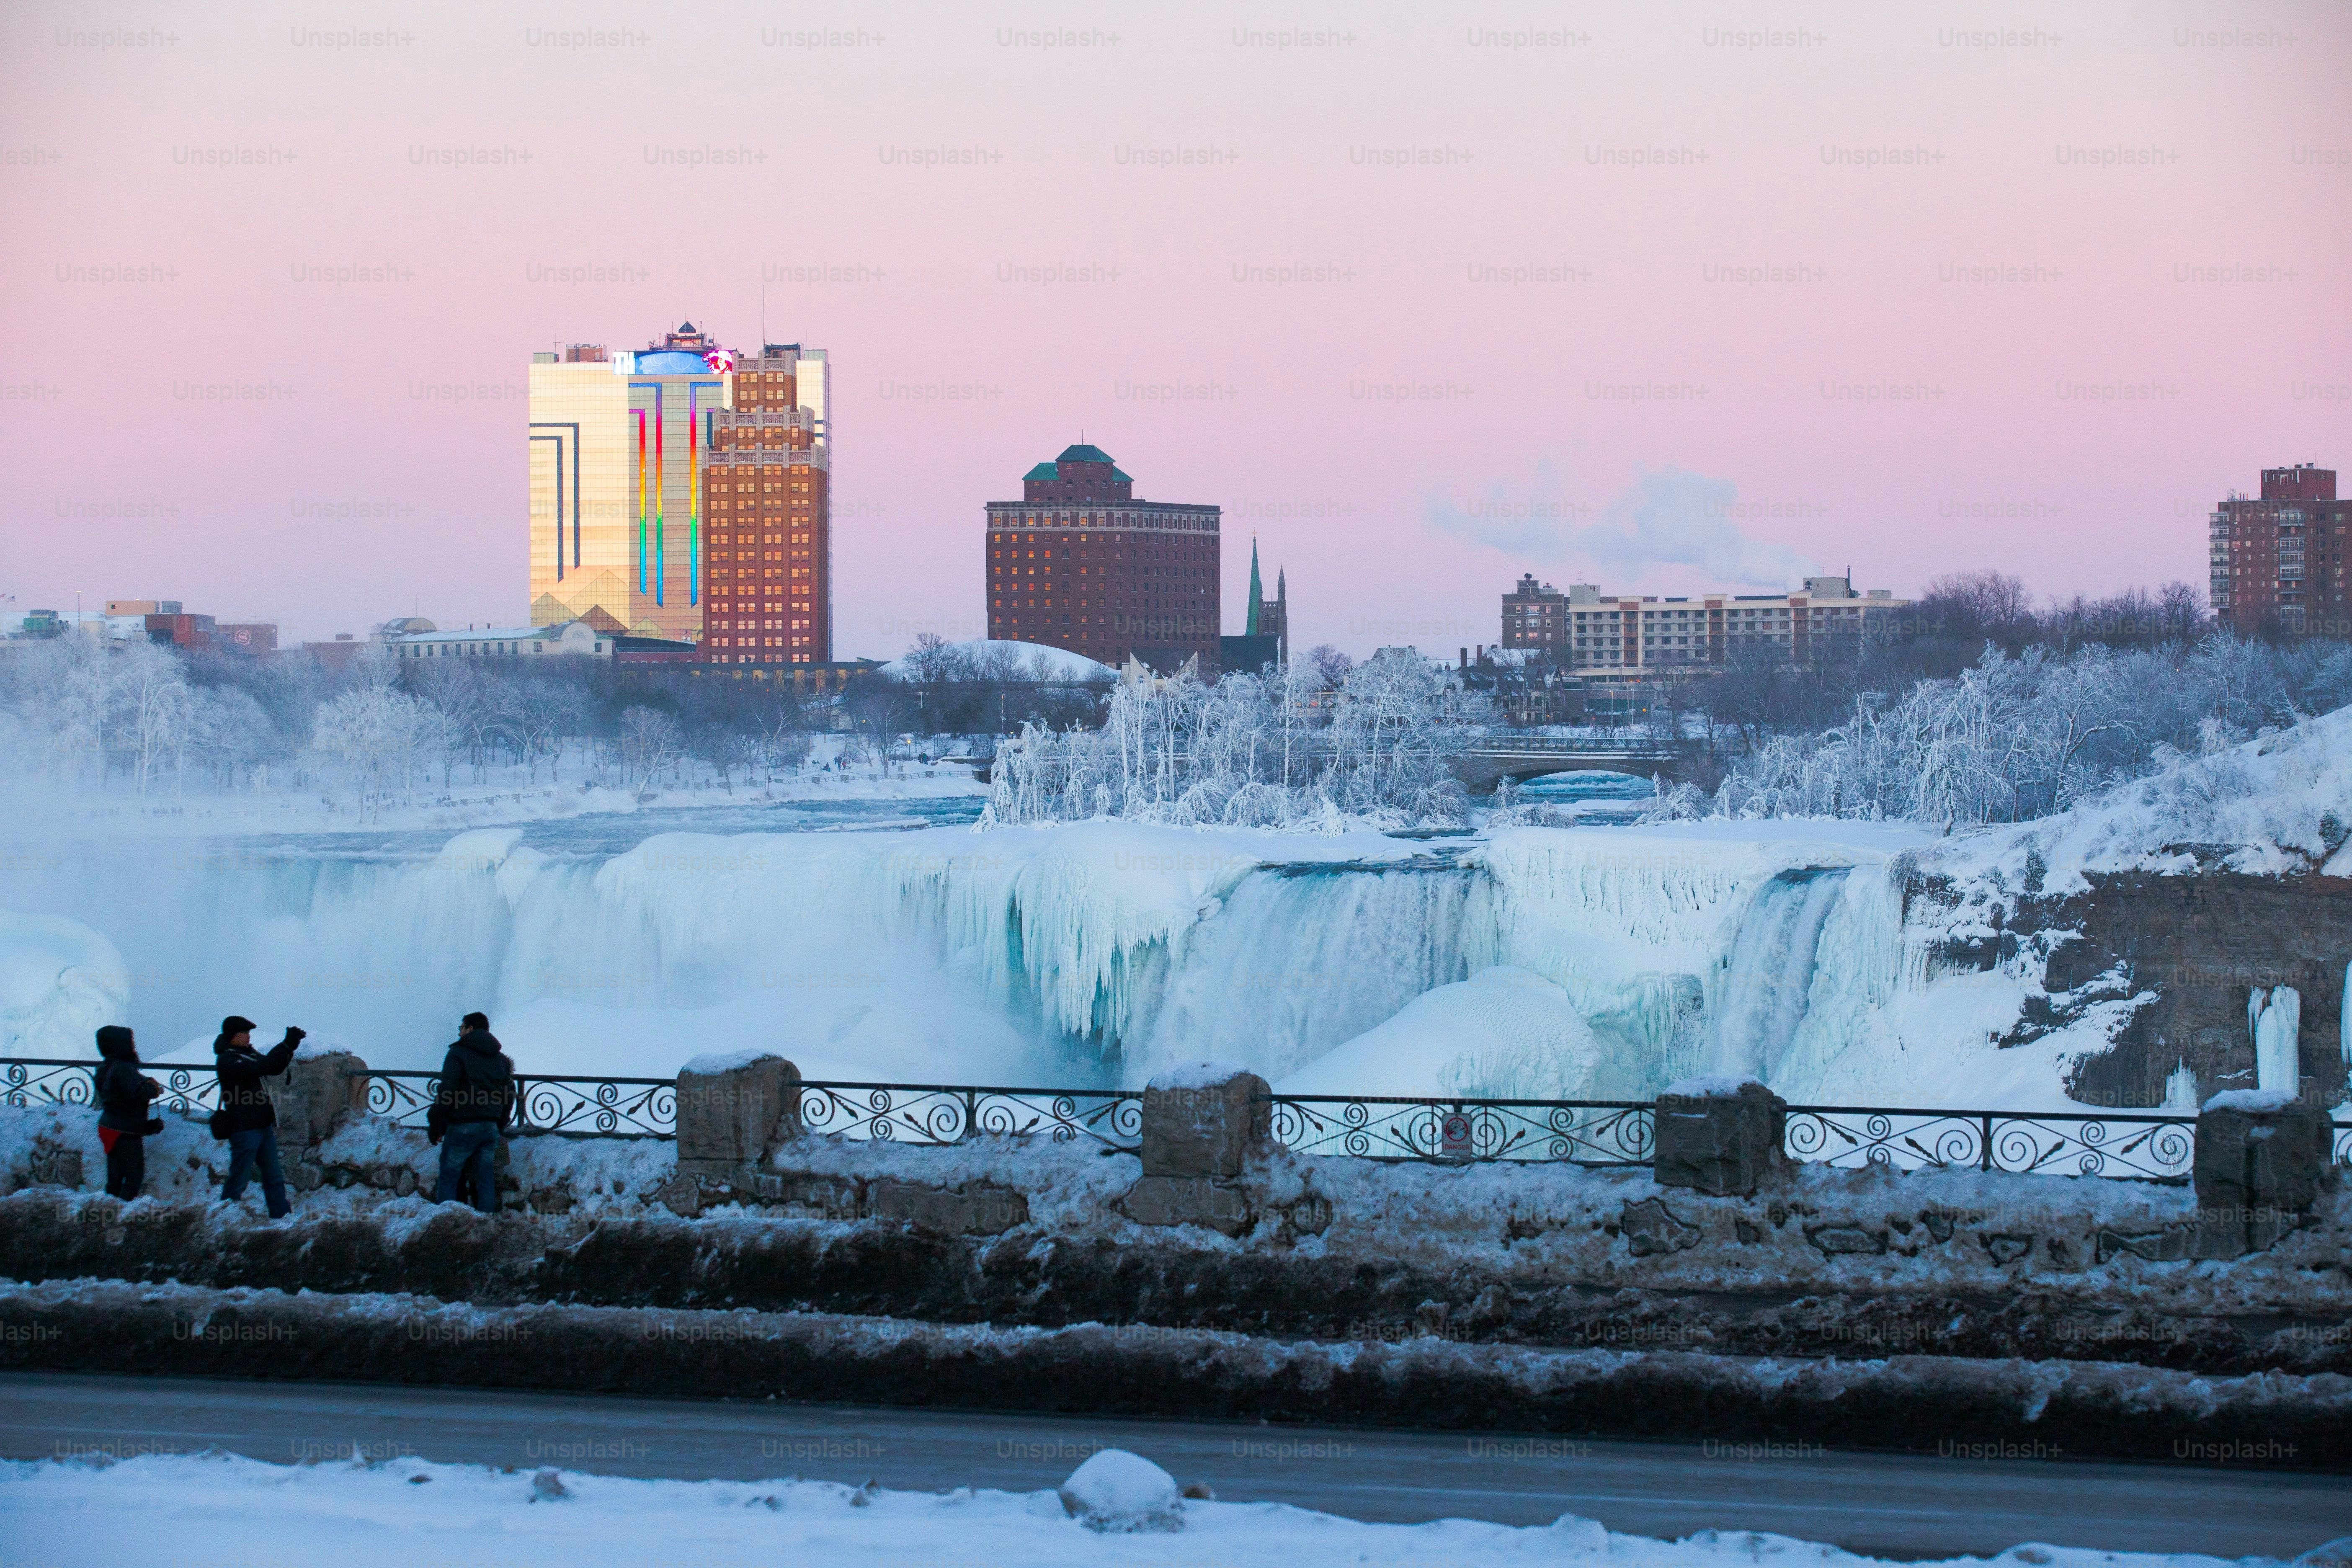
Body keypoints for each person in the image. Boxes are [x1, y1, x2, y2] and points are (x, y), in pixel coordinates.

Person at [214, 1014, 304, 1218]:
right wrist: (286, 1045)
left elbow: (274, 1068)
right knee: (239, 1178)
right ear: (232, 1036)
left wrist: (289, 1047)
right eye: (244, 1033)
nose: (248, 1037)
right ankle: (225, 1218)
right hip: (244, 1129)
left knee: (274, 1177)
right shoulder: (229, 1060)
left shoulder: (248, 1054)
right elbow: (264, 1067)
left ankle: (281, 1217)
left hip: (262, 1127)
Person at [428, 1012, 515, 1215]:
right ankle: (485, 1227)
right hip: (489, 1127)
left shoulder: (458, 1053)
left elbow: (447, 1091)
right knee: (485, 1179)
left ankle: (445, 1225)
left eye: (461, 1028)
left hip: (462, 1126)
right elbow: (509, 1094)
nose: (459, 1032)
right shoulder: (500, 1059)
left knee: (450, 1176)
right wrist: (499, 1123)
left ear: (470, 1029)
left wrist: (436, 1124)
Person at [93, 1025, 165, 1200]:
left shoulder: (107, 1066)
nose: (133, 1045)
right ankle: (122, 1214)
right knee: (134, 1178)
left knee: (115, 1178)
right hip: (125, 1131)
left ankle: (108, 1211)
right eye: (130, 1042)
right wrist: (153, 1089)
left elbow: (120, 1092)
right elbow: (136, 1094)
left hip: (109, 1125)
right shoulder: (124, 1067)